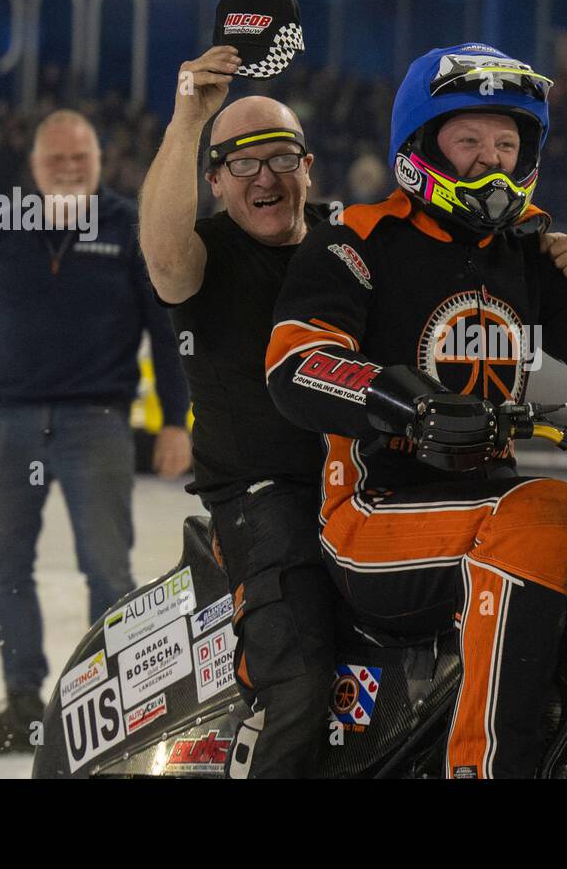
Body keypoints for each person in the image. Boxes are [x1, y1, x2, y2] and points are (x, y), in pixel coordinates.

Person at [266, 43, 567, 778]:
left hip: (484, 509)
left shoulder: (530, 250)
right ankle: (486, 765)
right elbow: (295, 366)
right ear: (421, 144)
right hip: (371, 515)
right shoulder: (358, 240)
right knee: (544, 511)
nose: (488, 160)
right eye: (468, 140)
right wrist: (405, 404)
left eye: (507, 143)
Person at [0, 109, 192, 755]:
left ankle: (116, 712)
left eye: (81, 160)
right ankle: (23, 704)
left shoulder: (128, 226)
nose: (70, 170)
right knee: (5, 565)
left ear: (99, 162)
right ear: (36, 166)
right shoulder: (4, 228)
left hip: (96, 423)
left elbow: (166, 334)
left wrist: (174, 421)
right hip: (9, 422)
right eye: (57, 161)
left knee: (107, 570)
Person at [137, 45, 338, 778]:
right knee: (300, 679)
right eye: (242, 164)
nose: (266, 177)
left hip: (367, 488)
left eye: (282, 156)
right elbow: (161, 253)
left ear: (308, 168)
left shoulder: (350, 244)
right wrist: (190, 115)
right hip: (262, 499)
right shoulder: (205, 256)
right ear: (216, 182)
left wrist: (548, 243)